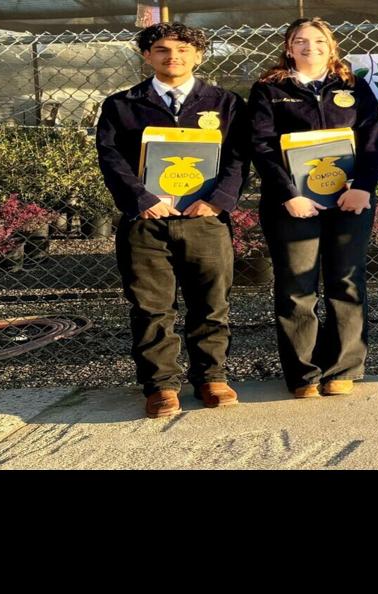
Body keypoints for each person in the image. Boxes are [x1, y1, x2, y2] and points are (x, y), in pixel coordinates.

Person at [95, 21, 250, 418]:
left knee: (211, 303)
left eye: (183, 50)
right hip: (145, 221)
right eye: (162, 49)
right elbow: (111, 159)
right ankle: (161, 385)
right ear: (146, 55)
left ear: (198, 56)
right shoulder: (122, 105)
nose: (173, 57)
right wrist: (142, 199)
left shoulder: (225, 103)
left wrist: (217, 202)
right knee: (151, 307)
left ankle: (212, 377)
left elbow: (238, 158)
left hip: (205, 220)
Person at [247, 17, 378, 398]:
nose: (311, 48)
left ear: (332, 46)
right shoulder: (269, 90)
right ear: (288, 48)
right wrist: (289, 193)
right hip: (292, 204)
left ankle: (343, 369)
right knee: (296, 287)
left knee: (346, 281)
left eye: (319, 41)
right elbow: (261, 145)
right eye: (301, 41)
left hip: (349, 201)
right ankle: (303, 374)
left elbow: (373, 141)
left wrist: (363, 187)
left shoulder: (354, 87)